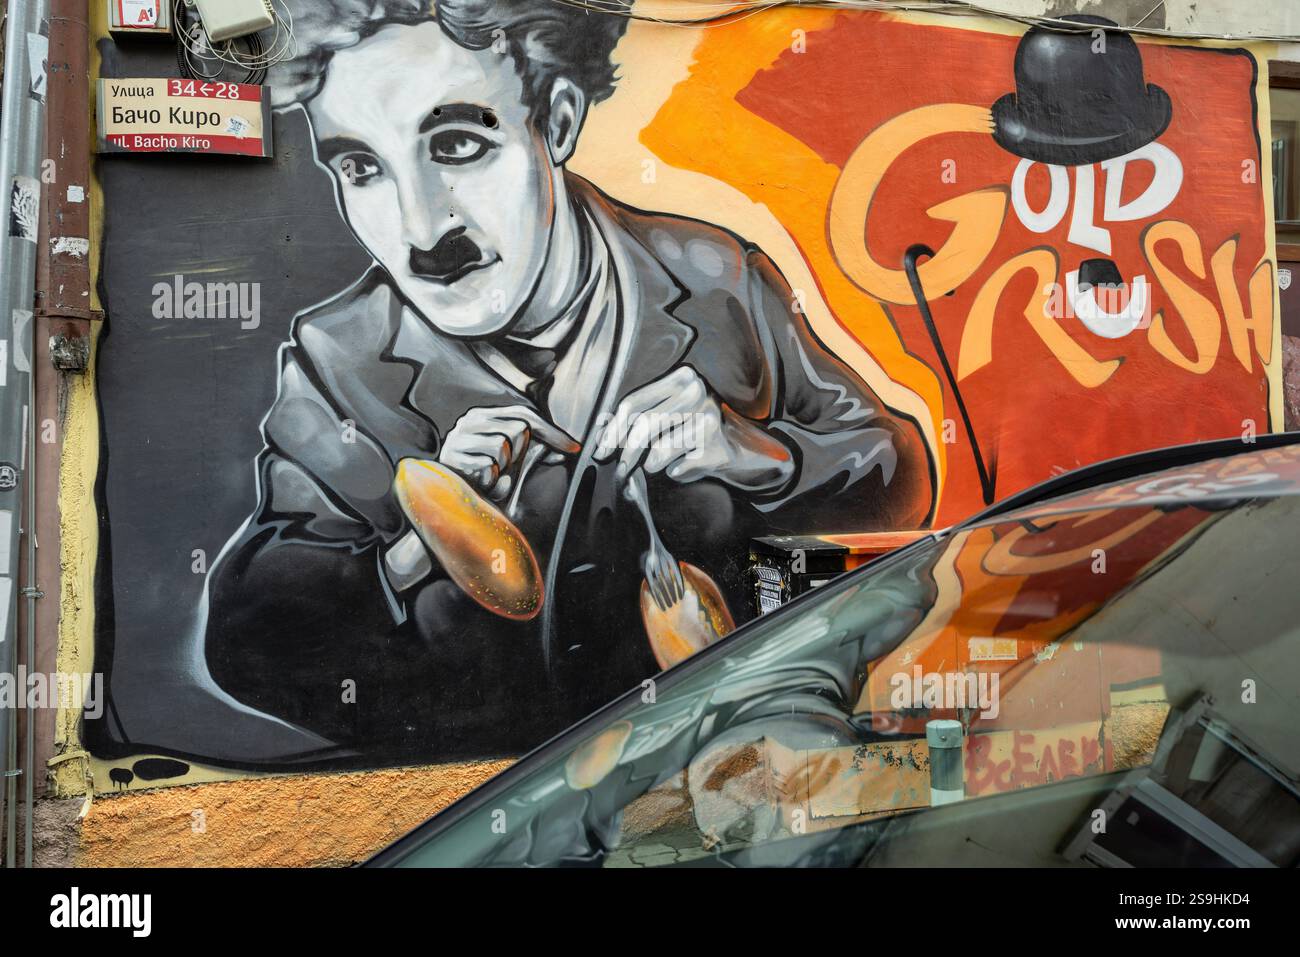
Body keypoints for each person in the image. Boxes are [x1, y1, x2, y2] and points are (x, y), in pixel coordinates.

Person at [201, 0, 934, 762]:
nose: (421, 233)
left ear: (555, 120)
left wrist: (752, 454)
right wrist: (420, 544)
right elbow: (254, 643)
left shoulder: (715, 284)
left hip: (728, 774)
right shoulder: (340, 363)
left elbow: (899, 480)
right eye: (362, 167)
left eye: (456, 144)